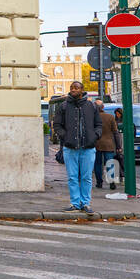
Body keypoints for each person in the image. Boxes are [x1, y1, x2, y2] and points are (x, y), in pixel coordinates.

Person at [51, 81, 102, 212]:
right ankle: (75, 203)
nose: (73, 90)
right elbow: (57, 125)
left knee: (86, 177)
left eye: (76, 88)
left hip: (88, 148)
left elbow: (98, 124)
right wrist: (65, 136)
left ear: (82, 90)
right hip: (70, 147)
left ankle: (85, 203)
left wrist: (95, 136)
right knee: (72, 177)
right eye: (72, 88)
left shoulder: (91, 106)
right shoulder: (63, 106)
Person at [93, 99, 122, 191]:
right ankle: (111, 182)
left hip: (96, 144)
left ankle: (99, 182)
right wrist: (118, 146)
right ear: (103, 107)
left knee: (98, 164)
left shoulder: (92, 117)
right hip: (108, 144)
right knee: (110, 163)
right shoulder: (110, 117)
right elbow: (115, 132)